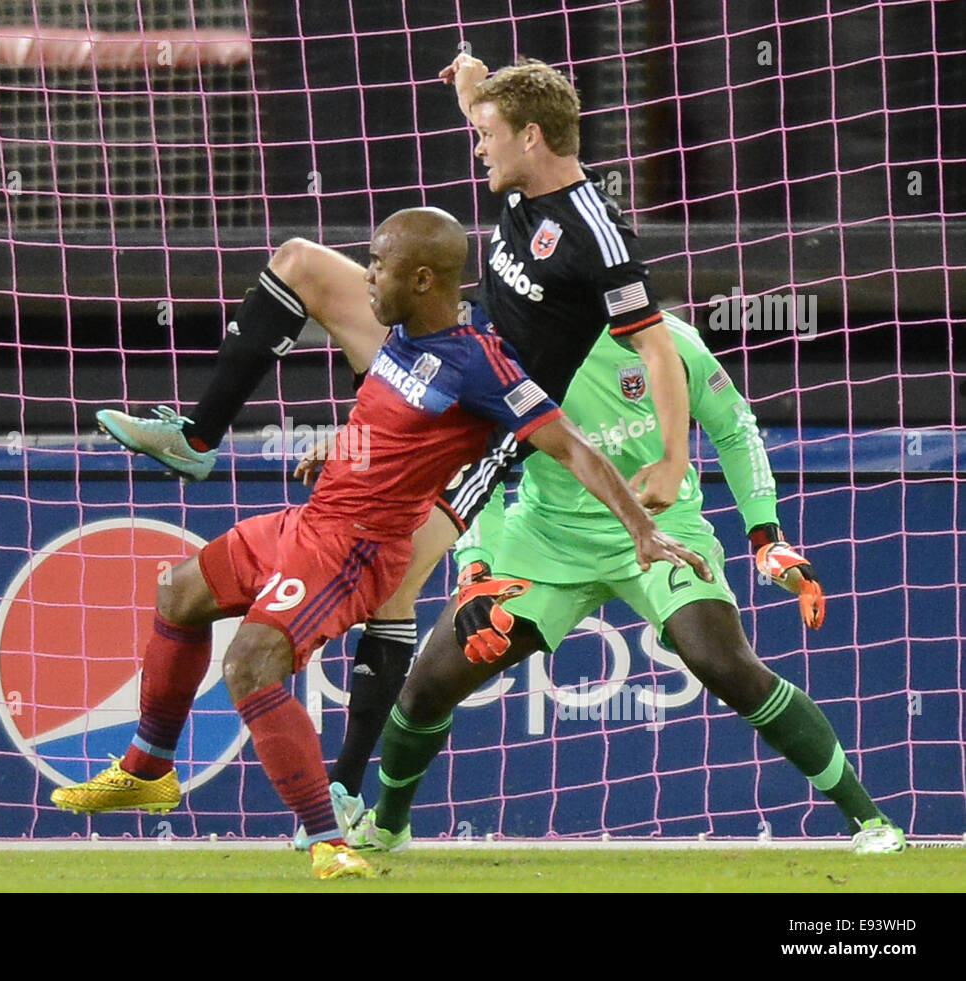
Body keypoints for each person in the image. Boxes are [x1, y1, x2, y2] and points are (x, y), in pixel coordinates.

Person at [96, 55, 695, 831]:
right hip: (436, 346)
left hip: (482, 411)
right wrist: (470, 87)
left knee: (397, 576)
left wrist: (674, 458)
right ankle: (196, 436)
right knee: (300, 263)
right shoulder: (521, 170)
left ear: (533, 137)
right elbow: (498, 114)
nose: (477, 146)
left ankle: (346, 785)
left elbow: (656, 348)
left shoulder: (599, 240)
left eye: (486, 135)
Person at [337, 313, 905, 855]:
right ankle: (389, 824)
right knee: (428, 686)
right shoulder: (513, 351)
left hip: (662, 529)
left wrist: (765, 535)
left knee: (723, 663)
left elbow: (734, 429)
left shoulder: (670, 344)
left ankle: (868, 818)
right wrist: (475, 567)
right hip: (545, 540)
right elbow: (473, 461)